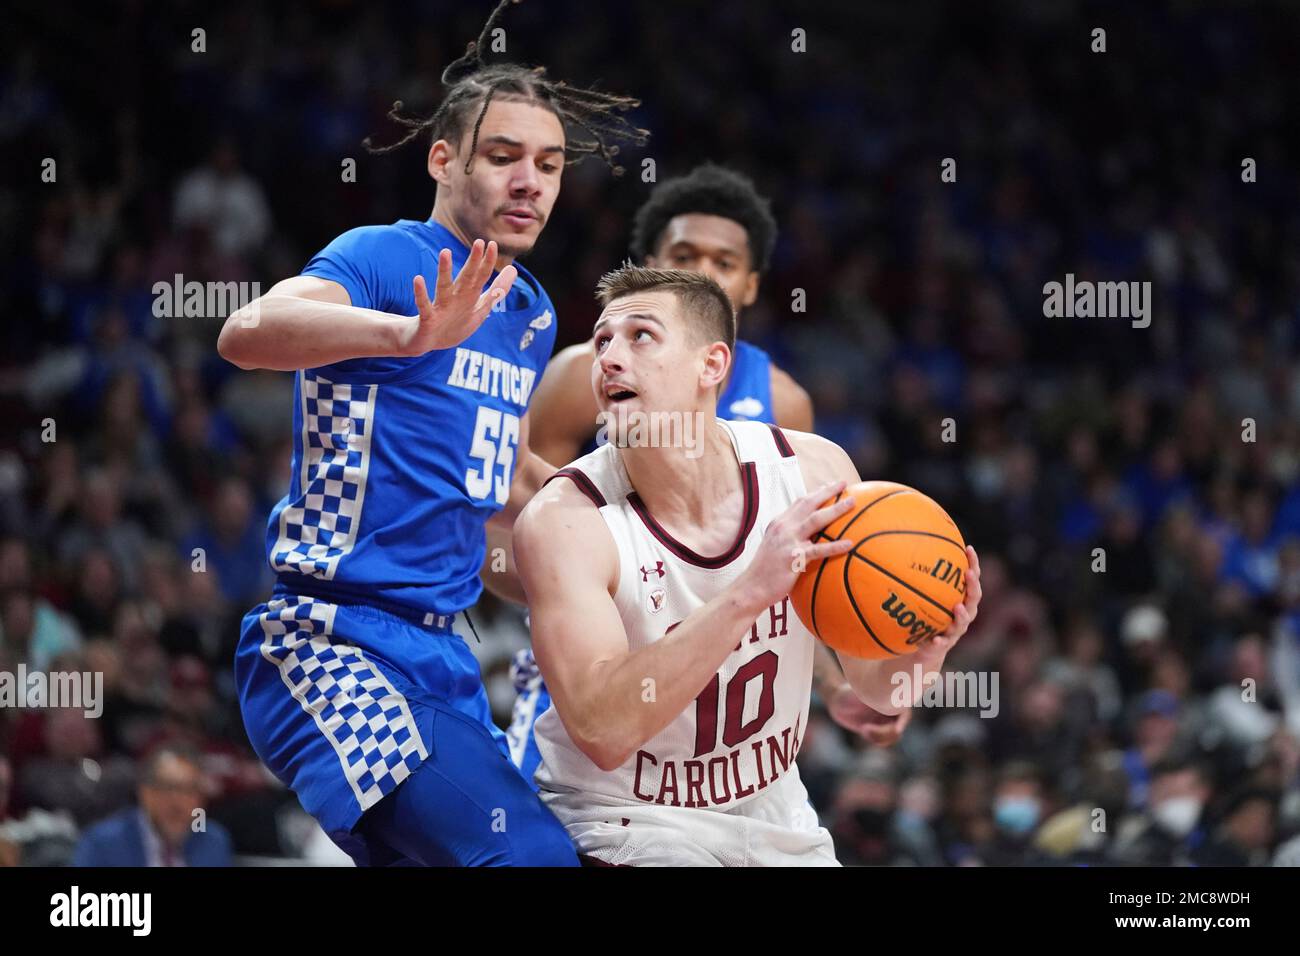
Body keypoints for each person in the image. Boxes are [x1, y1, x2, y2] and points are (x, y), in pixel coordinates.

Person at [217, 0, 646, 866]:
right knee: (523, 859)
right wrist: (404, 336)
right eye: (504, 157)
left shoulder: (528, 313)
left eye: (550, 165)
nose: (530, 181)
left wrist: (648, 538)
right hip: (330, 644)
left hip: (443, 659)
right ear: (444, 160)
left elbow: (495, 468)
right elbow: (247, 332)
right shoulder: (389, 256)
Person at [513, 265, 981, 865]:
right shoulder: (566, 520)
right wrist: (749, 592)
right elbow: (604, 731)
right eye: (602, 341)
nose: (608, 358)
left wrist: (928, 648)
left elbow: (877, 688)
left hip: (772, 810)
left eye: (640, 336)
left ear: (712, 366)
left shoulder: (813, 474)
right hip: (626, 818)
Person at [505, 166, 909, 784]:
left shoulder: (786, 409)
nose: (702, 272)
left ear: (748, 286)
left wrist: (839, 683)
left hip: (730, 672)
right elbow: (530, 525)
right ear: (651, 264)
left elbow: (802, 582)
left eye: (723, 262)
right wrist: (593, 609)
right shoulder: (586, 373)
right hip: (604, 641)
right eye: (684, 254)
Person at [72, 746, 233, 867]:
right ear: (145, 793)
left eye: (189, 790)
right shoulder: (103, 843)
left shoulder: (213, 841)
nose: (177, 802)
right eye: (168, 788)